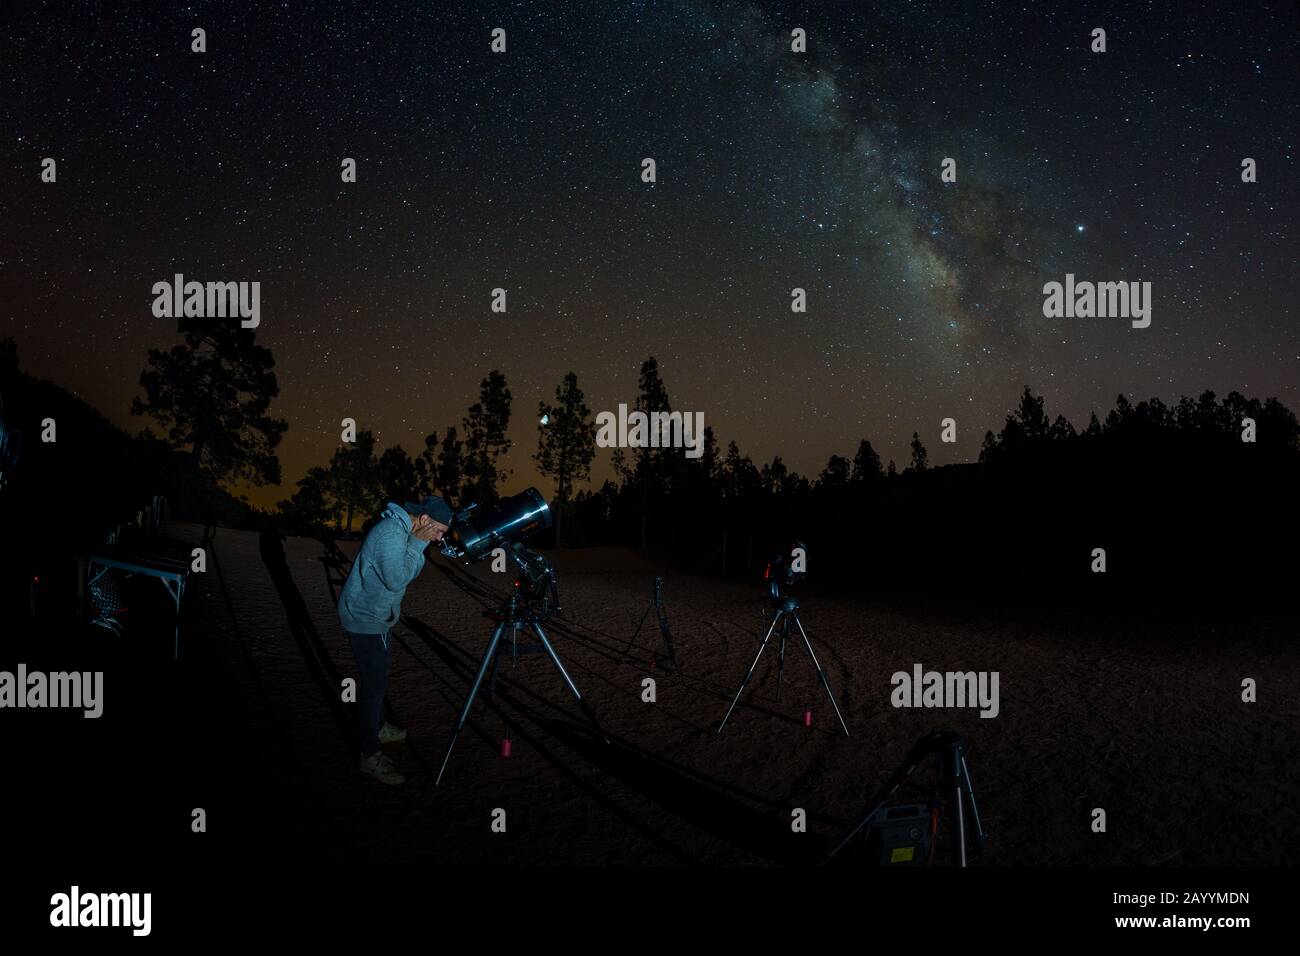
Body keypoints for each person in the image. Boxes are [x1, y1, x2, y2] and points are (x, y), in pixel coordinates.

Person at [338, 496, 452, 785]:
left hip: (377, 614)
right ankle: (369, 754)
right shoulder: (390, 533)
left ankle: (377, 727)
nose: (439, 538)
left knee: (379, 676)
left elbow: (405, 574)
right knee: (373, 687)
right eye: (439, 530)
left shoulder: (403, 531)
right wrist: (418, 543)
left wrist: (416, 543)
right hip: (366, 618)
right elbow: (397, 579)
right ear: (424, 519)